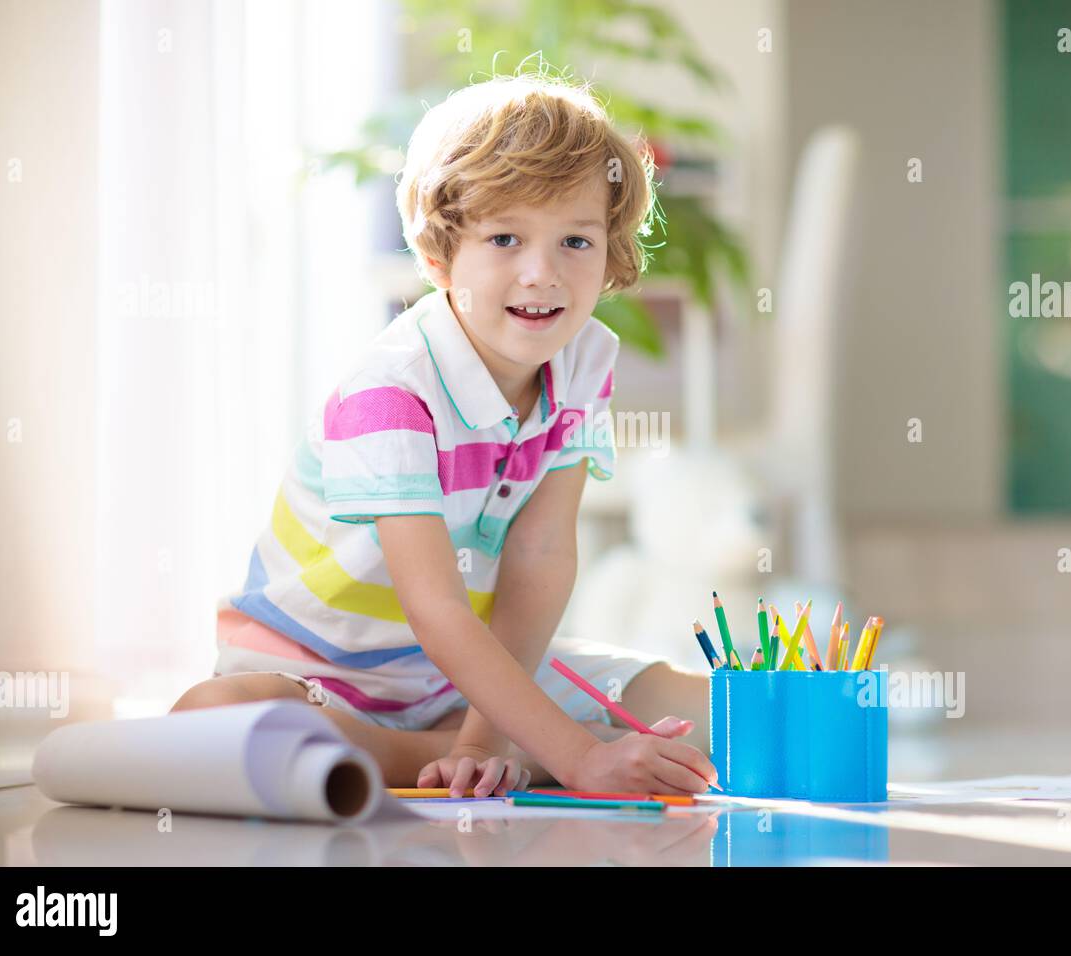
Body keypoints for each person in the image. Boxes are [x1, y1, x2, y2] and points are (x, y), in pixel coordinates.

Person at [171, 71, 715, 798]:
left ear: (611, 254)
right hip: (321, 676)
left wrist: (483, 737)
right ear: (437, 260)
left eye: (576, 240)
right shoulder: (390, 391)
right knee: (211, 719)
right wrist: (580, 758)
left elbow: (540, 559)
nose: (541, 273)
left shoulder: (585, 361)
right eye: (504, 237)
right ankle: (474, 755)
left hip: (468, 676)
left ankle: (484, 749)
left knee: (701, 710)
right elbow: (434, 605)